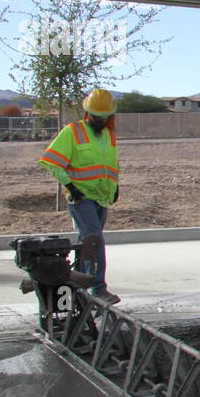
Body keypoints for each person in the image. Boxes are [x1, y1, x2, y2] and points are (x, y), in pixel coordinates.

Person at [38, 88, 121, 305]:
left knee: (86, 243)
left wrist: (115, 186)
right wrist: (70, 187)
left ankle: (77, 285)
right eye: (96, 116)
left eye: (104, 117)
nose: (100, 120)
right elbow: (50, 162)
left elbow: (110, 164)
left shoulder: (108, 134)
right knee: (94, 241)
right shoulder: (72, 132)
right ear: (87, 113)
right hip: (81, 198)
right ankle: (98, 289)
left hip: (101, 197)